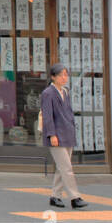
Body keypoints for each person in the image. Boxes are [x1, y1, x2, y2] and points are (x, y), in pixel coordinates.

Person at [41, 63, 87, 209]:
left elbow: (68, 113)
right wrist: (51, 134)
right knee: (66, 168)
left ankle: (55, 196)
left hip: (67, 133)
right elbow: (48, 116)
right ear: (53, 77)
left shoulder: (65, 91)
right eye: (61, 75)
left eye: (66, 75)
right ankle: (75, 197)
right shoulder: (48, 93)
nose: (64, 78)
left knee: (62, 168)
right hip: (56, 135)